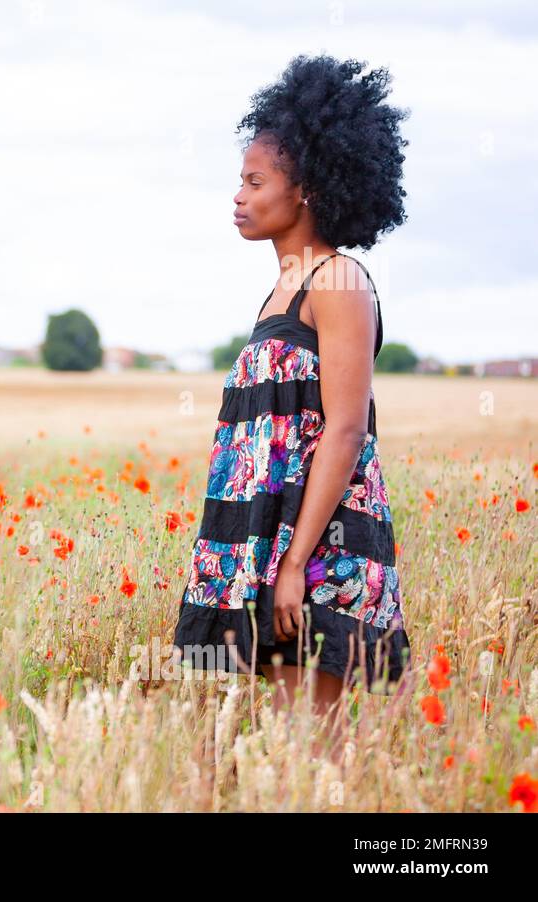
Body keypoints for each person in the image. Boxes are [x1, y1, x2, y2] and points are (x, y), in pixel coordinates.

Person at [172, 54, 413, 759]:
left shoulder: (338, 281)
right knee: (290, 750)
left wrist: (293, 561)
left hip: (317, 545)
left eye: (255, 182)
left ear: (303, 190)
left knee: (315, 752)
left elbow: (343, 431)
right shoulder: (281, 292)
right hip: (270, 536)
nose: (238, 197)